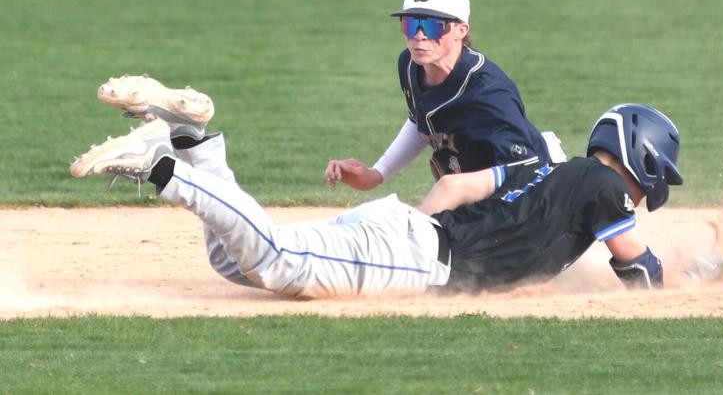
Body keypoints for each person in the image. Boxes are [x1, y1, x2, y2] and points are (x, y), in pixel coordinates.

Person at [72, 75, 683, 298]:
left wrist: (409, 227)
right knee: (275, 261)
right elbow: (643, 275)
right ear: (643, 158)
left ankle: (193, 139)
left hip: (412, 234)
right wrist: (701, 273)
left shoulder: (547, 167)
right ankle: (162, 167)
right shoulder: (604, 188)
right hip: (417, 256)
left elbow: (454, 191)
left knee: (235, 266)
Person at [325, 0, 565, 198]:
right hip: (474, 195)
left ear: (461, 30)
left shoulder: (489, 91)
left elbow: (523, 169)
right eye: (410, 24)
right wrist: (376, 174)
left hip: (532, 191)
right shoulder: (410, 65)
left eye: (432, 26)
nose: (419, 36)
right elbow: (422, 121)